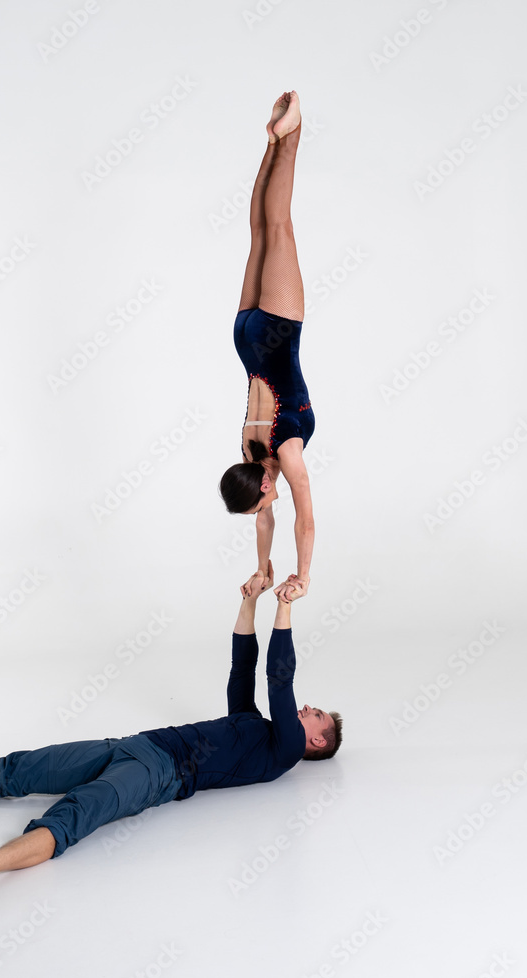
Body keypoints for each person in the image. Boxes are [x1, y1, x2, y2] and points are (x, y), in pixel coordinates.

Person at [0, 567, 342, 898]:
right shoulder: (256, 725)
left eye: (317, 716)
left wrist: (288, 606)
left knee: (71, 817)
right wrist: (251, 598)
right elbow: (242, 667)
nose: (309, 708)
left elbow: (280, 677)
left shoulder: (286, 751)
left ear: (316, 742)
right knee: (17, 768)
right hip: (131, 745)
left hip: (160, 776)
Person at [219, 91, 315, 605]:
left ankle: (292, 134)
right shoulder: (248, 454)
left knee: (278, 226)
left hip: (277, 328)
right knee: (258, 231)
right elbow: (269, 517)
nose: (262, 514)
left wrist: (303, 575)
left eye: (257, 507)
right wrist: (262, 570)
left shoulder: (285, 453)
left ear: (258, 487)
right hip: (244, 338)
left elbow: (305, 515)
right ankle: (273, 140)